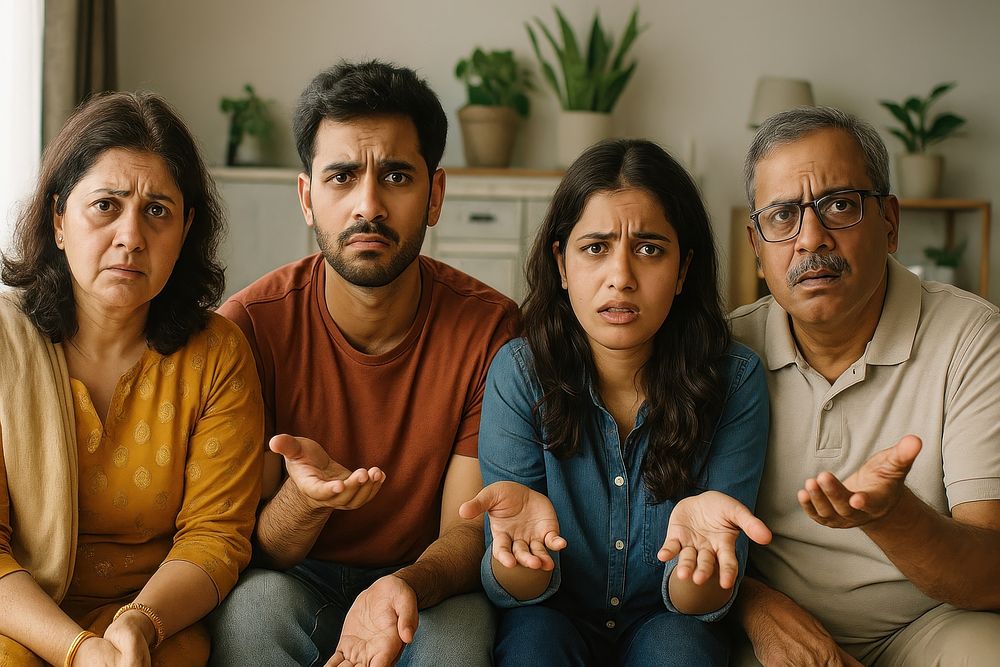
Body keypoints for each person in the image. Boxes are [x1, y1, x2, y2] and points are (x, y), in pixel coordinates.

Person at [207, 61, 519, 667]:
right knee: (251, 614)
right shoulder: (247, 328)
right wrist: (308, 501)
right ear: (306, 198)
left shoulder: (491, 330)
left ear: (436, 195)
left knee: (454, 645)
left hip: (427, 582)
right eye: (342, 176)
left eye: (397, 176)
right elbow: (254, 550)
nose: (367, 205)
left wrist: (404, 585)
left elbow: (467, 529)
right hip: (299, 581)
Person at [458, 139, 772, 666]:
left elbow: (702, 605)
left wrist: (707, 565)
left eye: (649, 248)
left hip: (670, 620)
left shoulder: (734, 380)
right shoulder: (520, 373)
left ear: (683, 270)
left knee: (681, 650)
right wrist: (520, 557)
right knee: (533, 644)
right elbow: (517, 590)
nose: (621, 277)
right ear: (561, 264)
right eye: (595, 247)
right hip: (552, 616)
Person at [0, 91, 264, 666]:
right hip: (16, 616)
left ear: (186, 229)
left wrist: (137, 626)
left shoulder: (217, 355)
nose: (131, 236)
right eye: (105, 206)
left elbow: (215, 535)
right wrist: (77, 650)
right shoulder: (3, 347)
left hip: (152, 620)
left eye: (158, 211)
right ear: (58, 218)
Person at [730, 106, 1000, 665]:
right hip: (773, 625)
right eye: (782, 216)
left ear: (891, 223)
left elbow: (992, 577)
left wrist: (890, 516)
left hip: (929, 624)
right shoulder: (725, 351)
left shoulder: (973, 338)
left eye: (840, 205)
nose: (810, 238)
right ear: (756, 247)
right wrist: (756, 609)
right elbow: (665, 537)